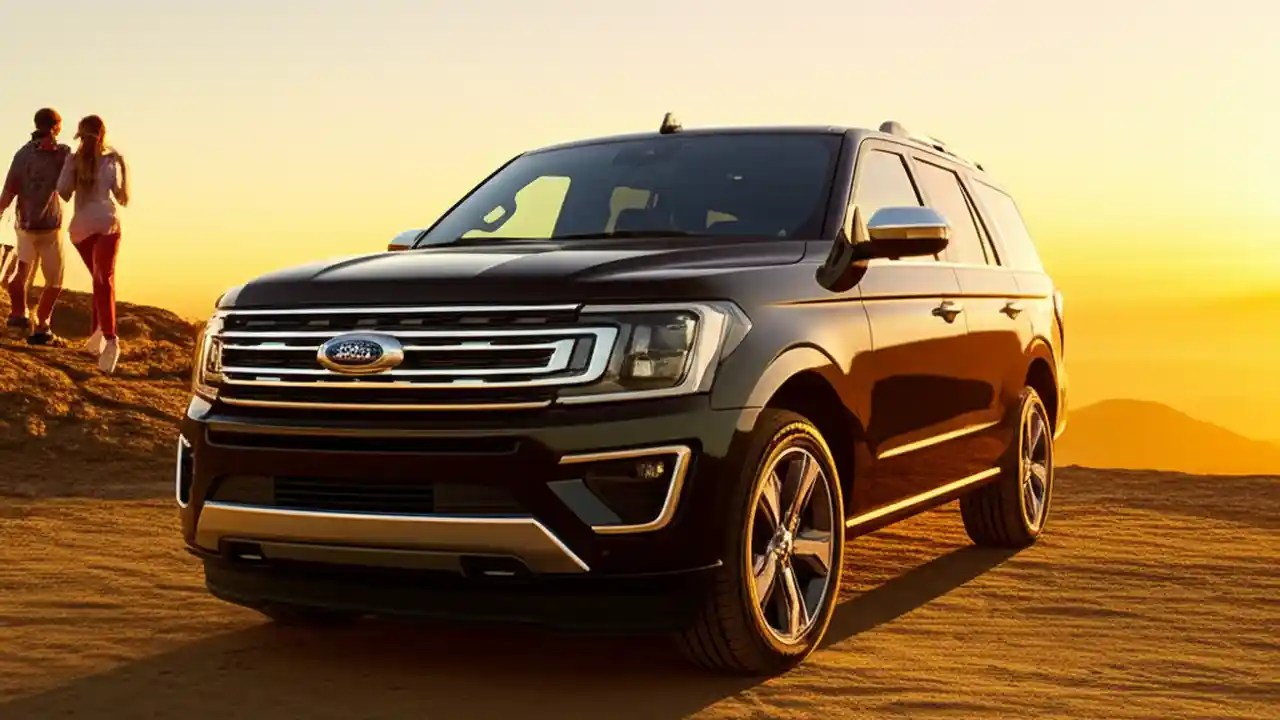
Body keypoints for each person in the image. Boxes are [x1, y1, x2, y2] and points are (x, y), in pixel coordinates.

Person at [57, 115, 129, 373]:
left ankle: (101, 335)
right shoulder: (111, 161)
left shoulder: (74, 161)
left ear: (80, 135)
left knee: (100, 279)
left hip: (81, 229)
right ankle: (109, 339)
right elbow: (122, 197)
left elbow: (63, 192)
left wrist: (69, 168)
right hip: (106, 225)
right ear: (103, 133)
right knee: (103, 280)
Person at [0, 108, 72, 345]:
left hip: (26, 222)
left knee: (21, 272)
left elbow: (9, 189)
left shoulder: (22, 154)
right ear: (57, 126)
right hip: (49, 225)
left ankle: (19, 315)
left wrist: (0, 210)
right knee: (55, 280)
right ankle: (41, 323)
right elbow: (72, 182)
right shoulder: (62, 153)